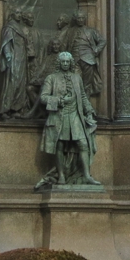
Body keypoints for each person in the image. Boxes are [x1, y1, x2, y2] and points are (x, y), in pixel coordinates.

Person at [37, 52, 100, 188]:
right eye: (63, 61)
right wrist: (59, 100)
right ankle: (61, 175)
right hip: (59, 116)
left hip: (75, 115)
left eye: (67, 61)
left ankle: (87, 176)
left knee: (83, 143)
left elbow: (82, 96)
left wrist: (89, 110)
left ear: (71, 63)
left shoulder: (77, 78)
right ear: (59, 63)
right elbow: (43, 97)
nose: (65, 64)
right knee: (59, 145)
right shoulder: (51, 78)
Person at [0, 10, 35, 116]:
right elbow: (6, 43)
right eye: (17, 13)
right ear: (12, 14)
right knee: (12, 83)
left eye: (20, 13)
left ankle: (16, 108)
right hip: (13, 59)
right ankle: (5, 109)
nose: (19, 15)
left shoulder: (19, 27)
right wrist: (8, 56)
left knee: (20, 83)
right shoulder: (10, 27)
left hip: (21, 59)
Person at [68, 11, 106, 97]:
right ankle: (77, 101)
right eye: (79, 18)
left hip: (88, 59)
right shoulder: (70, 31)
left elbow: (102, 41)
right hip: (74, 58)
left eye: (82, 18)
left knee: (87, 83)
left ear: (85, 19)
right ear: (75, 19)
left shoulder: (91, 31)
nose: (80, 20)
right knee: (75, 80)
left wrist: (96, 49)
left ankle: (86, 102)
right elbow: (65, 44)